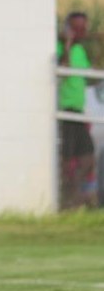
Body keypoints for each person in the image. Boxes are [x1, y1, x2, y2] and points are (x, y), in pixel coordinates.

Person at [58, 11, 95, 209]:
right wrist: (67, 44)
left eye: (83, 28)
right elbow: (62, 69)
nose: (81, 32)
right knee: (68, 157)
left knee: (88, 155)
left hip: (79, 110)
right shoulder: (61, 48)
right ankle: (67, 198)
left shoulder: (81, 51)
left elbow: (89, 77)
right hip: (67, 109)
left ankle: (79, 194)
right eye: (76, 28)